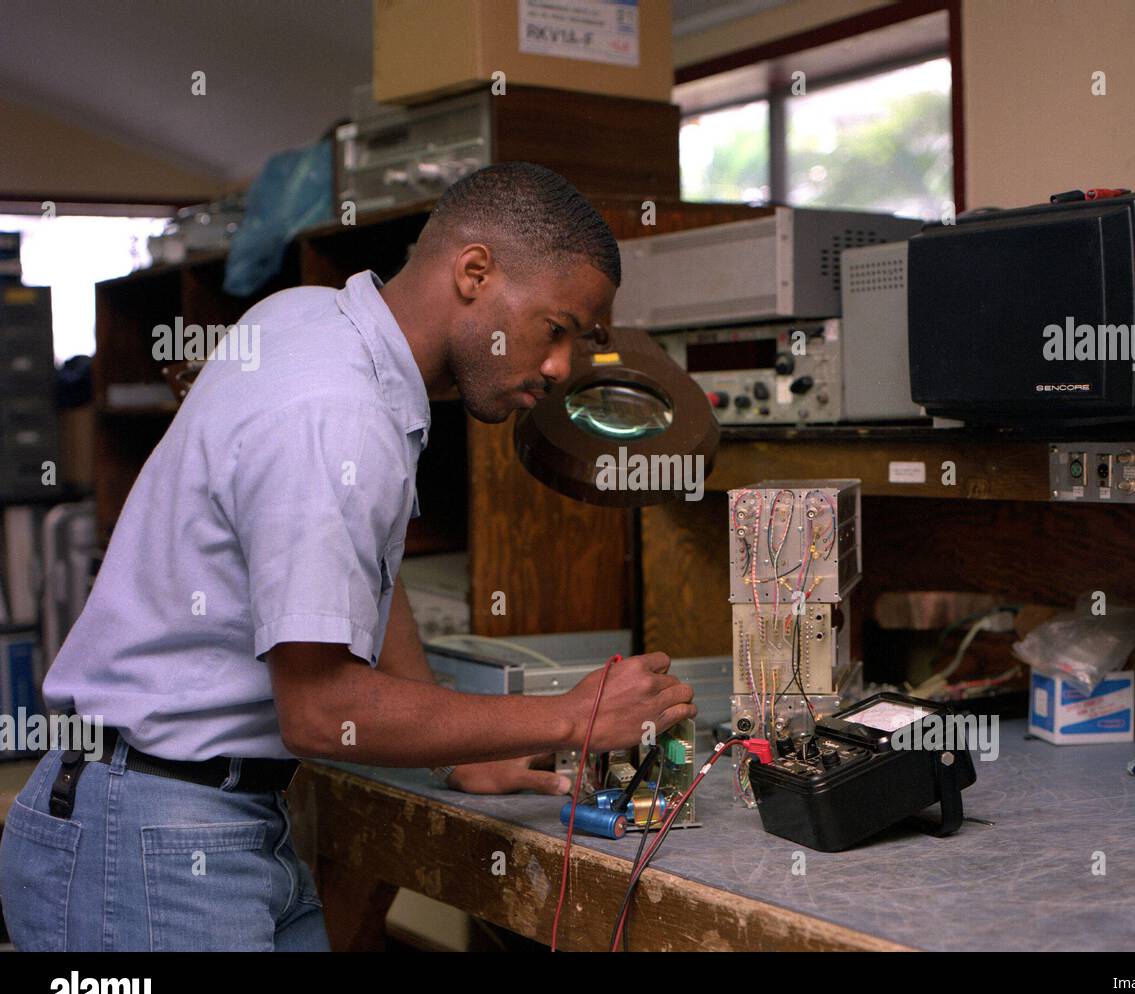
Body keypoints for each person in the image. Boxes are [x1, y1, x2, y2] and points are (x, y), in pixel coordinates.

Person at [0, 163, 695, 952]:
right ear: (475, 273)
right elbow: (321, 709)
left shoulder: (317, 320)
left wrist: (469, 755)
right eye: (557, 328)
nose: (561, 367)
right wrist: (570, 717)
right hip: (148, 839)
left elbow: (366, 566)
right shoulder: (340, 407)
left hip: (198, 816)